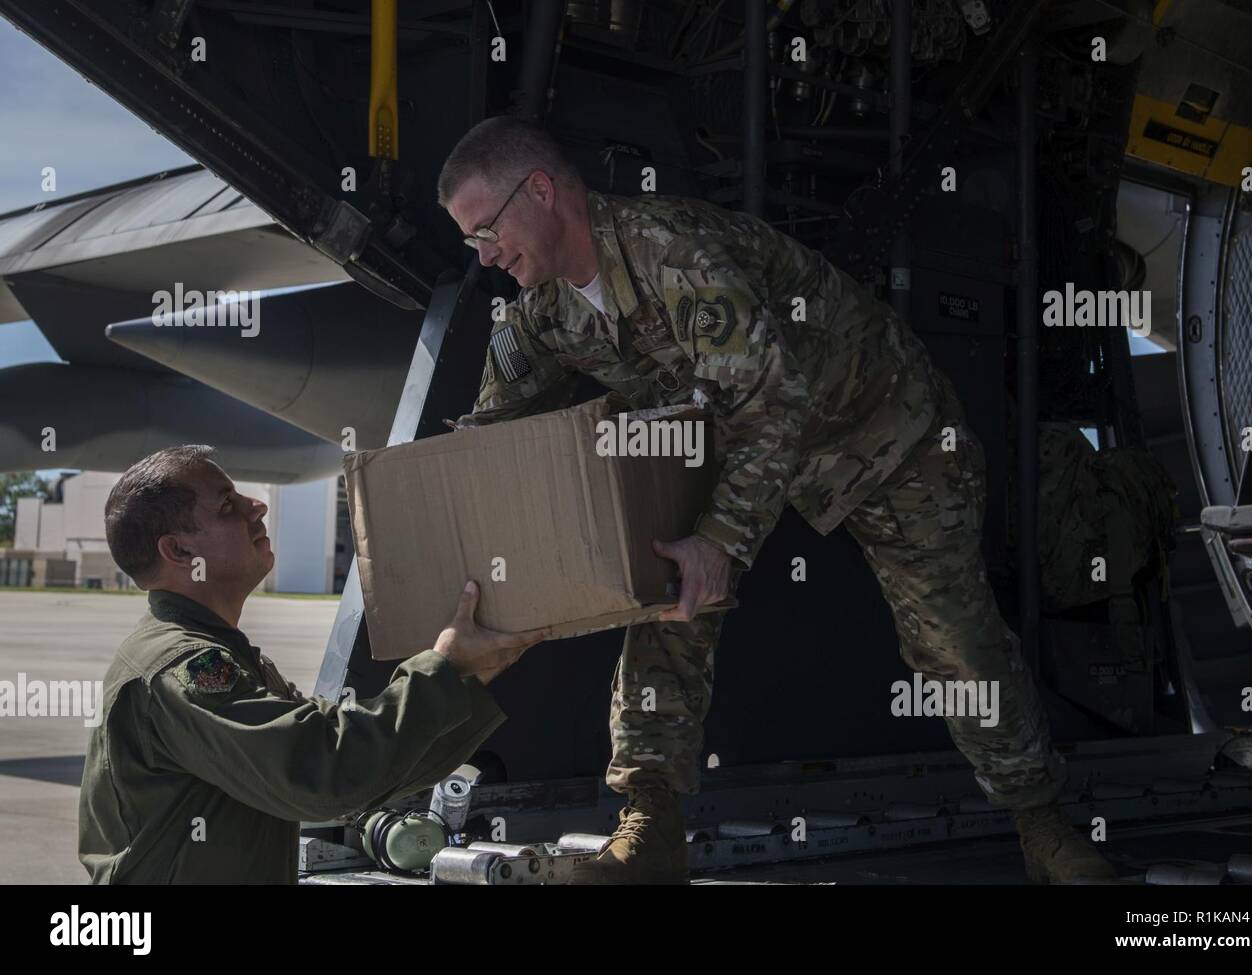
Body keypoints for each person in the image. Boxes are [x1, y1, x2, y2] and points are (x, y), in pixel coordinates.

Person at [437, 115, 1119, 885]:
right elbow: (486, 448)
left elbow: (771, 407)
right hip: (740, 443)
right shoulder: (540, 314)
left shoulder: (677, 254)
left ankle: (1045, 825)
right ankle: (652, 824)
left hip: (884, 432)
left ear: (541, 189)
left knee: (952, 635)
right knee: (667, 595)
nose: (487, 257)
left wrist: (720, 543)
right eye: (472, 243)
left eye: (487, 230)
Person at [79, 445, 548, 883]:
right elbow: (324, 772)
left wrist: (466, 679)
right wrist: (441, 670)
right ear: (179, 552)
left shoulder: (222, 654)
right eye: (226, 505)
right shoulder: (184, 668)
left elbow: (362, 777)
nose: (255, 507)